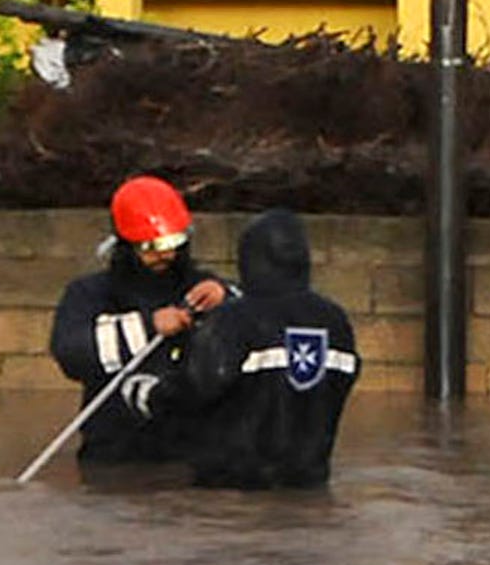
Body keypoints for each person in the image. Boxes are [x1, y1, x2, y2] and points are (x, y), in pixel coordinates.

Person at [134, 209, 359, 490]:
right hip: (309, 484)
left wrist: (144, 392)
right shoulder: (336, 321)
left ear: (249, 258)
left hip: (231, 489)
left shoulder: (235, 319)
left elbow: (194, 387)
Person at [47, 175, 228, 471]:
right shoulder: (90, 293)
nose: (165, 254)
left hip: (192, 451)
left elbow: (257, 326)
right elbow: (70, 353)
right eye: (150, 247)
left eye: (173, 243)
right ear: (125, 245)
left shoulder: (203, 288)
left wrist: (227, 297)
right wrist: (148, 327)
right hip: (114, 452)